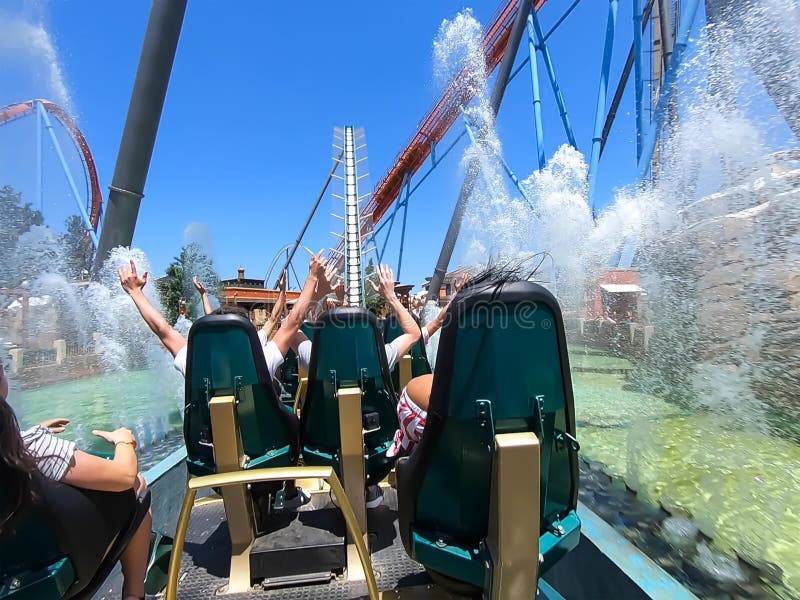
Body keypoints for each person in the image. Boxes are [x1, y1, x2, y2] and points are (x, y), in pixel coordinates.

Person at [0, 358, 152, 600]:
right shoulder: (33, 447)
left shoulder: (24, 444)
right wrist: (124, 440)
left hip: (10, 578)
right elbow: (124, 475)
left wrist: (34, 432)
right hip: (58, 571)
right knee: (137, 488)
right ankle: (134, 594)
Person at [120, 252, 337, 381]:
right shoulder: (262, 359)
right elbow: (292, 322)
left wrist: (136, 293)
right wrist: (311, 278)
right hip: (263, 444)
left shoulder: (194, 362)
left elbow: (162, 329)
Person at [295, 264, 420, 373]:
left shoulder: (316, 358)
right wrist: (391, 297)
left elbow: (291, 327)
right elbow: (414, 333)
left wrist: (317, 295)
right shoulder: (380, 357)